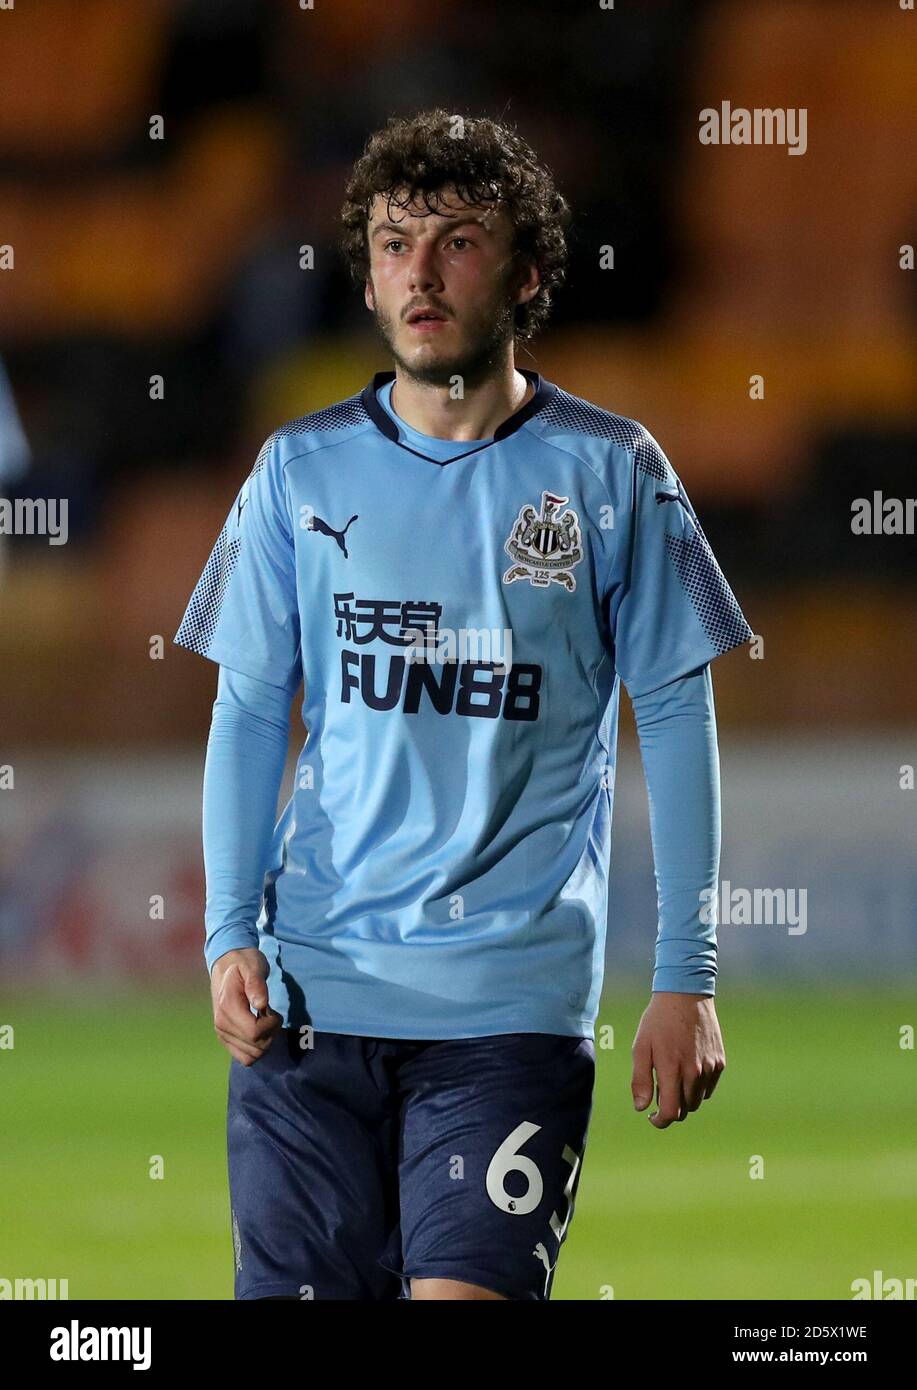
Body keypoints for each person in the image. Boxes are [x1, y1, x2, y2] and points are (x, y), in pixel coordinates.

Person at [174, 108, 753, 1301]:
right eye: (393, 244)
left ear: (528, 271)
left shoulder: (613, 471)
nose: (419, 273)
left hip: (508, 1010)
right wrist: (230, 927)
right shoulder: (299, 468)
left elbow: (677, 716)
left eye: (455, 241)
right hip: (310, 1003)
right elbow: (247, 708)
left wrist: (685, 976)